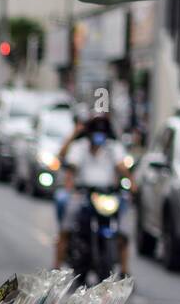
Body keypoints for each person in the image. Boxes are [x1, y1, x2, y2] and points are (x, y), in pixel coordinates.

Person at [55, 115, 133, 275]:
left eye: (102, 131)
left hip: (108, 195)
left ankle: (125, 271)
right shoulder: (79, 147)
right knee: (67, 225)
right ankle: (56, 265)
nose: (99, 135)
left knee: (124, 230)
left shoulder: (113, 148)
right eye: (95, 130)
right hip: (83, 195)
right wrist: (71, 190)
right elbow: (70, 167)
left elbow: (122, 167)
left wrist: (132, 185)